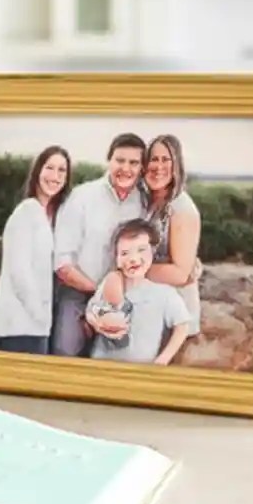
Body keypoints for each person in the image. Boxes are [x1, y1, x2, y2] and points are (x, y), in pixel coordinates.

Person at [51, 133, 147, 357]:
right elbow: (62, 264)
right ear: (109, 160)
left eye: (134, 162)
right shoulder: (82, 197)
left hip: (125, 298)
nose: (126, 168)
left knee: (120, 361)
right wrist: (100, 296)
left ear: (142, 167)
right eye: (120, 160)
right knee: (65, 353)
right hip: (76, 293)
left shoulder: (143, 202)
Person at [0, 146, 72, 354]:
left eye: (62, 170)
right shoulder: (27, 212)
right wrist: (40, 316)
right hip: (19, 327)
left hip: (34, 328)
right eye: (49, 167)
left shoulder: (48, 216)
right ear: (37, 172)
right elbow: (19, 272)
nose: (55, 176)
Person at [84, 218, 191, 365]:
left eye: (141, 250)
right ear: (116, 258)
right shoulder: (109, 283)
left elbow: (182, 326)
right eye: (124, 253)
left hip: (142, 367)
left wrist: (163, 359)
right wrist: (97, 323)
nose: (133, 259)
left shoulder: (164, 293)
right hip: (102, 363)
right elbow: (91, 310)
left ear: (153, 251)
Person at [142, 134, 203, 337]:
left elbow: (180, 274)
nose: (158, 166)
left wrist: (130, 270)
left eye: (165, 159)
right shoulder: (148, 202)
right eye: (153, 159)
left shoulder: (181, 208)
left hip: (175, 320)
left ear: (177, 165)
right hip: (153, 312)